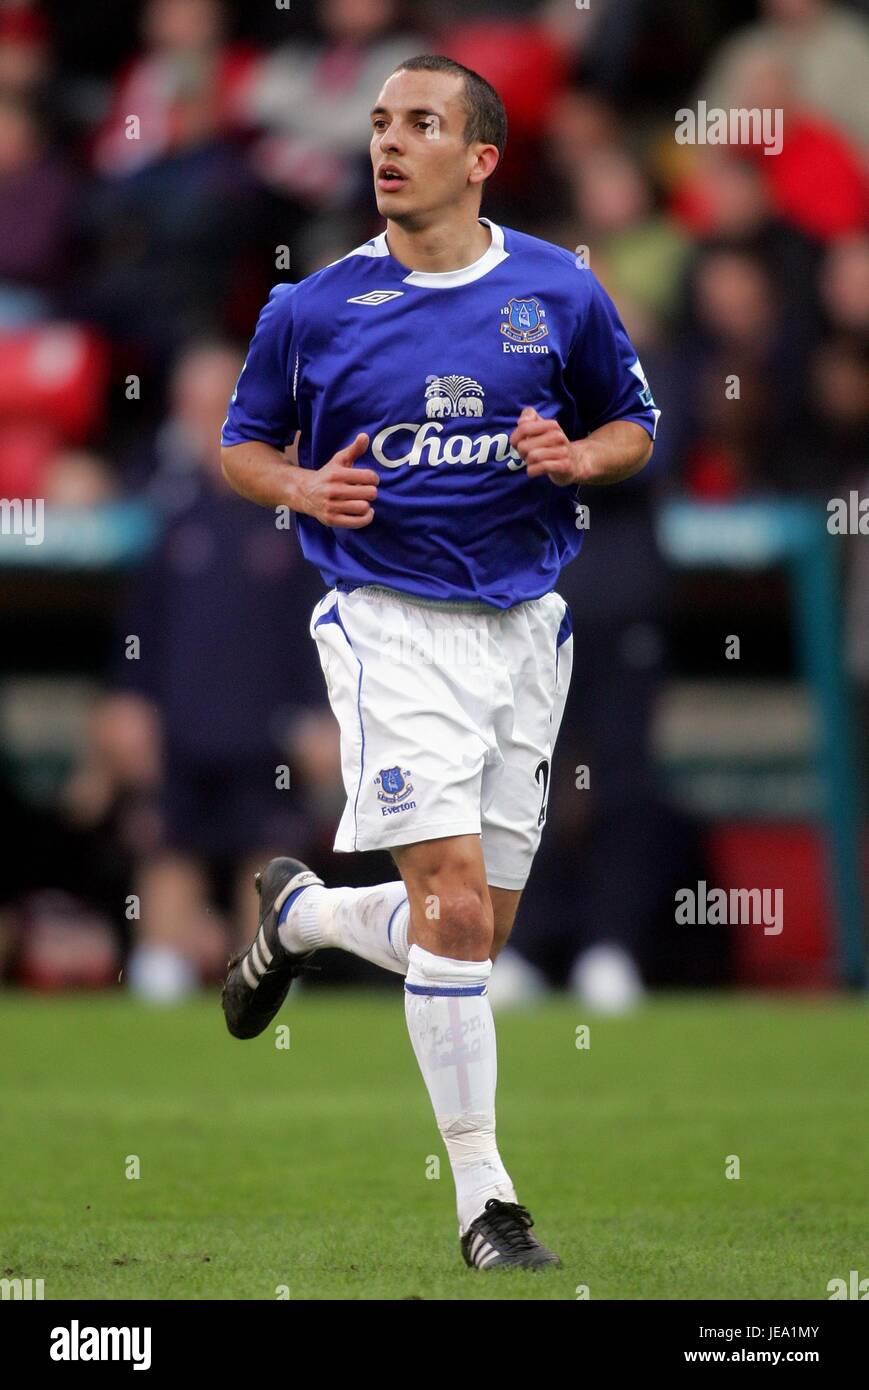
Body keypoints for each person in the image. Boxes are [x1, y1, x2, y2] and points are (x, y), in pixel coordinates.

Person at [219, 54, 659, 1272]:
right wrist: (301, 482)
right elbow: (241, 443)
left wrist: (576, 456)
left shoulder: (555, 293)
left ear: (480, 159)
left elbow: (635, 424)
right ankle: (486, 1203)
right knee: (453, 908)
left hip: (524, 629)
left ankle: (303, 916)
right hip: (386, 620)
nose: (387, 142)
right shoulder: (309, 308)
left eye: (420, 123)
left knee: (463, 935)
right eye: (376, 123)